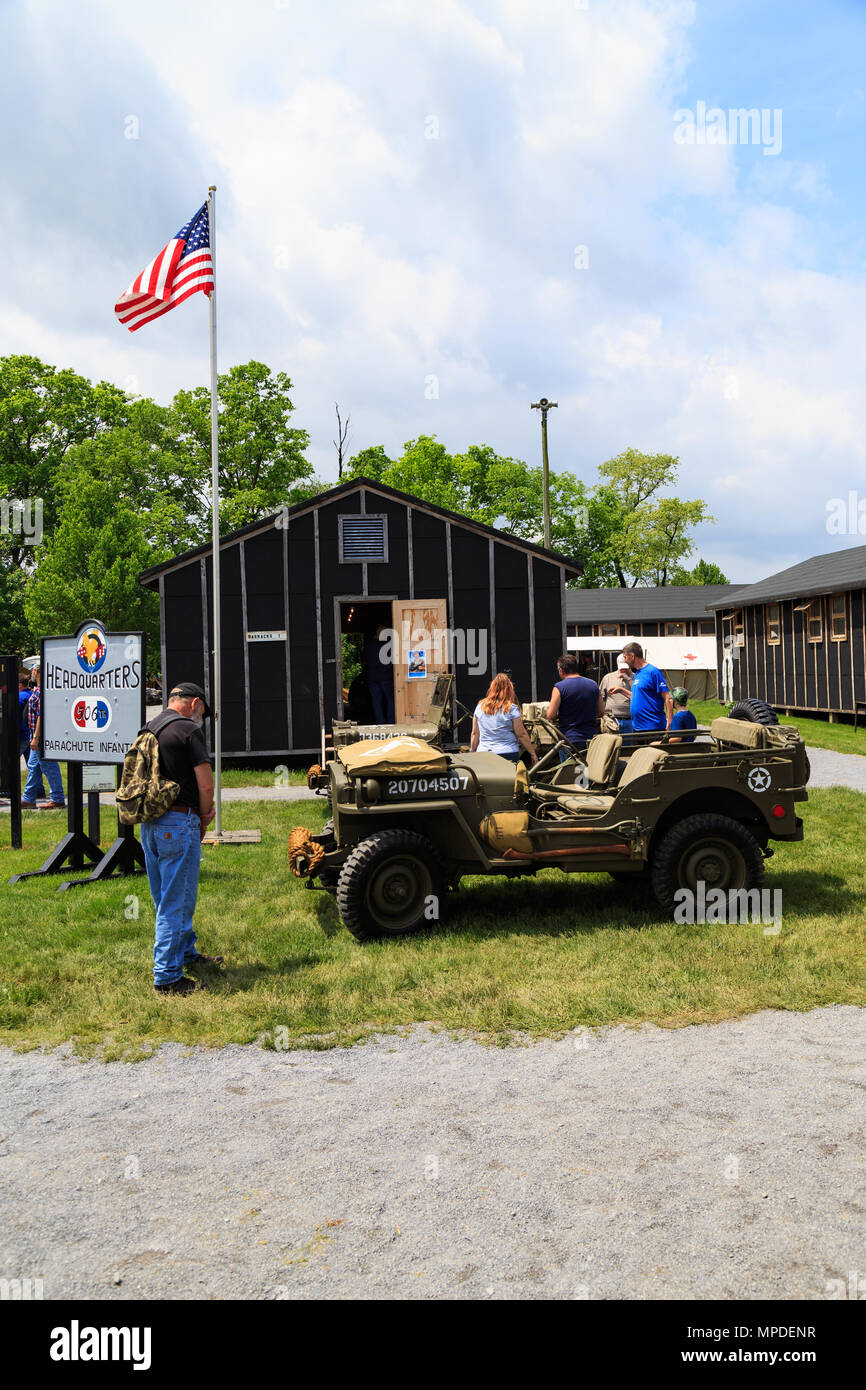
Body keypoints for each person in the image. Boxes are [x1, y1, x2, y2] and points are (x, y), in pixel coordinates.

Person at [140, 682, 221, 996]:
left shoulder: (149, 728)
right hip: (178, 820)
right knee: (176, 902)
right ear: (196, 703)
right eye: (203, 712)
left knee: (166, 898)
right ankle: (167, 977)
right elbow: (205, 786)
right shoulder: (188, 730)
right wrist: (203, 818)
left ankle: (186, 953)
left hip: (150, 825)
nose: (201, 719)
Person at [21, 664, 65, 810]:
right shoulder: (38, 689)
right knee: (34, 766)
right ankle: (28, 798)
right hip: (36, 735)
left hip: (41, 737)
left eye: (33, 670)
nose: (32, 673)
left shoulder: (43, 691)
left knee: (49, 766)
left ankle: (57, 798)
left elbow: (42, 715)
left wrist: (36, 737)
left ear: (37, 672)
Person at [471, 673, 538, 764]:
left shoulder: (480, 706)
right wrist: (532, 753)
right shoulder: (511, 708)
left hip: (484, 753)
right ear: (509, 690)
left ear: (492, 689)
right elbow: (521, 734)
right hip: (507, 753)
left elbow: (475, 733)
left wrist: (472, 752)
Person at [547, 653, 604, 758]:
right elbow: (601, 712)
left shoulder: (559, 687)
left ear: (561, 670)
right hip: (591, 738)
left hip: (569, 739)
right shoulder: (593, 685)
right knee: (587, 771)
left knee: (570, 772)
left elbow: (550, 715)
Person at [621, 642, 672, 734]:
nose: (625, 660)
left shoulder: (653, 672)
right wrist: (620, 690)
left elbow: (668, 698)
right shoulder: (638, 674)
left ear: (632, 656)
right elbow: (638, 697)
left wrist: (670, 721)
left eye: (625, 657)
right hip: (637, 727)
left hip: (652, 727)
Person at [364, 625, 395, 724]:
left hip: (373, 678)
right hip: (386, 677)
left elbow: (365, 660)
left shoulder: (369, 646)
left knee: (376, 701)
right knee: (390, 700)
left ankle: (380, 721)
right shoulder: (388, 646)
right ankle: (391, 721)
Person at [599, 656, 633, 735]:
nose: (623, 670)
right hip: (612, 720)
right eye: (621, 668)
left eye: (626, 668)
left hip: (630, 720)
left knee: (629, 745)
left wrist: (628, 679)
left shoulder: (636, 678)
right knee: (613, 745)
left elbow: (638, 695)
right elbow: (601, 697)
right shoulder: (608, 677)